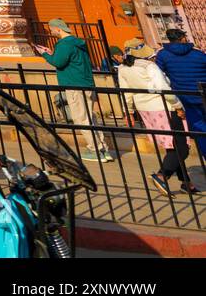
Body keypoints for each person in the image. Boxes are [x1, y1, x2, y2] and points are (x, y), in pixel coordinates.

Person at [119, 40, 197, 196]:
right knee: (181, 147)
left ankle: (186, 182)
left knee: (172, 145)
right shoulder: (150, 67)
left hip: (145, 109)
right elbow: (163, 88)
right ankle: (162, 175)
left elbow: (125, 91)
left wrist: (128, 111)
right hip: (163, 107)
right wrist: (178, 106)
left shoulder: (123, 68)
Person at [35, 18, 114, 162]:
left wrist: (44, 54)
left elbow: (58, 62)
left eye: (51, 29)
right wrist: (52, 52)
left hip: (74, 85)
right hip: (86, 84)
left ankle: (94, 149)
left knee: (81, 118)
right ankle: (103, 149)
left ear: (57, 29)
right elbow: (69, 60)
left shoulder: (64, 44)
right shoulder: (77, 43)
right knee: (91, 117)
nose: (51, 32)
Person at [154, 27, 206, 166]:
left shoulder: (163, 55)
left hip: (185, 99)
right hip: (203, 94)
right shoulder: (199, 54)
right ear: (183, 38)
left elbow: (159, 75)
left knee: (201, 132)